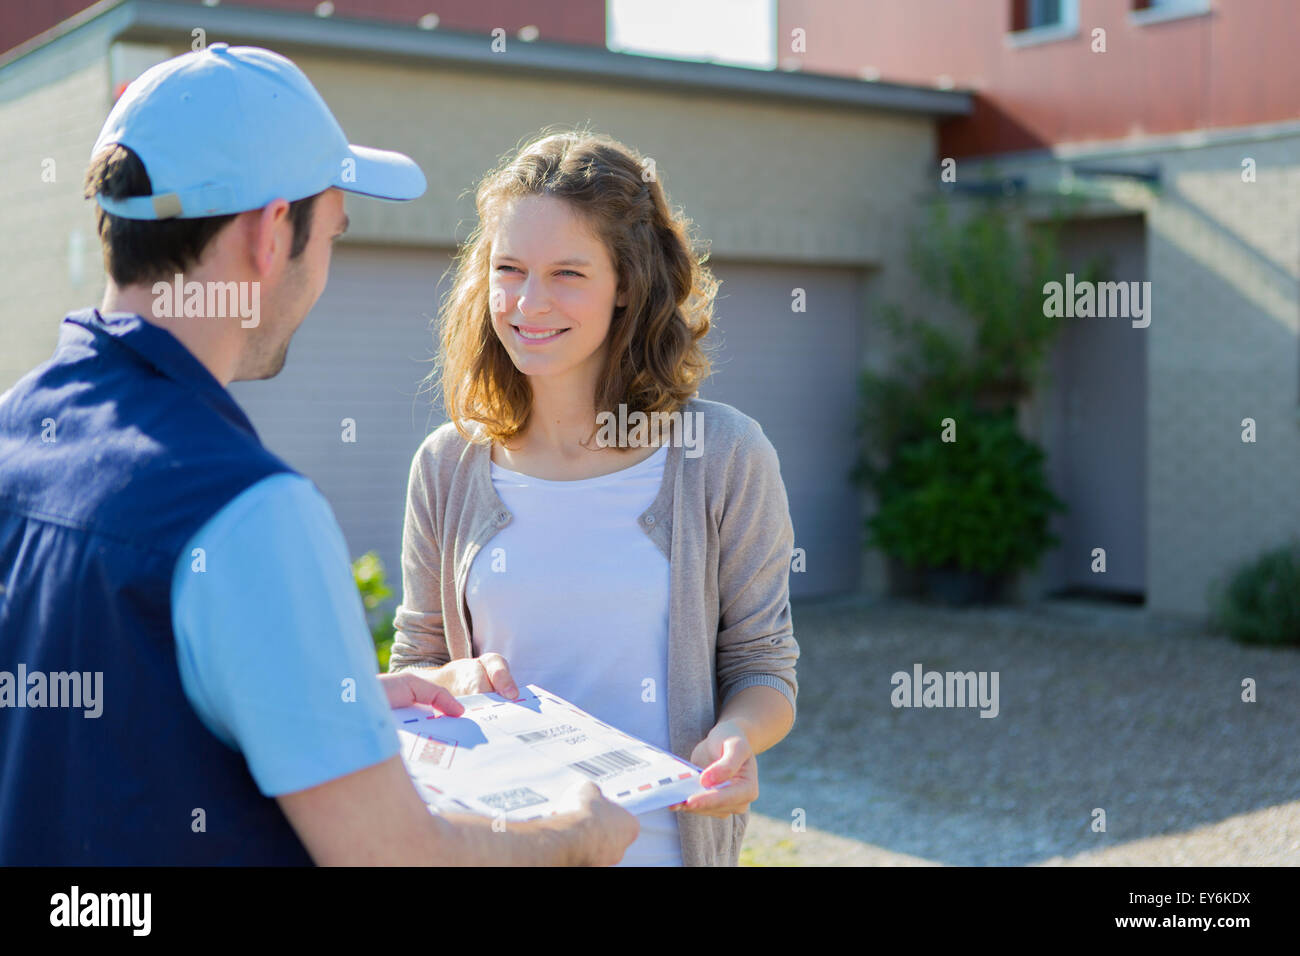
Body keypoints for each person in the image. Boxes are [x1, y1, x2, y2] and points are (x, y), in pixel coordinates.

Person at [0, 45, 636, 866]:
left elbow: (102, 707)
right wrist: (570, 833)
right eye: (332, 232)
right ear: (272, 233)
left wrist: (317, 701)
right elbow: (390, 854)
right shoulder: (243, 508)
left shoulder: (17, 431)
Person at [388, 128, 800, 866]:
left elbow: (763, 664)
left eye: (567, 273)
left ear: (628, 286)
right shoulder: (447, 465)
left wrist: (738, 735)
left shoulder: (725, 456)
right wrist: (446, 678)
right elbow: (418, 659)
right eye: (508, 268)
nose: (527, 301)